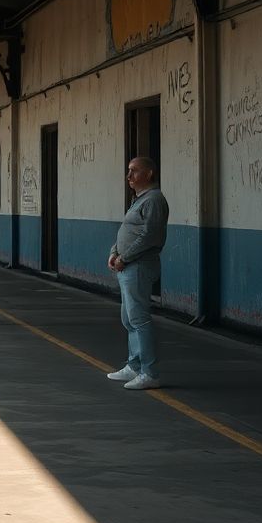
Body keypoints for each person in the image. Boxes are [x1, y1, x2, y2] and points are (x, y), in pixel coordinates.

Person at [105, 156, 169, 390]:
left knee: (139, 319)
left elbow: (149, 236)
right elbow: (127, 230)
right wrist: (115, 252)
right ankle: (134, 365)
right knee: (128, 319)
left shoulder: (153, 200)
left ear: (149, 174)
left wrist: (125, 257)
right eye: (128, 171)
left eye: (134, 171)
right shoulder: (139, 200)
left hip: (139, 266)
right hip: (129, 266)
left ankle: (149, 372)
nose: (128, 176)